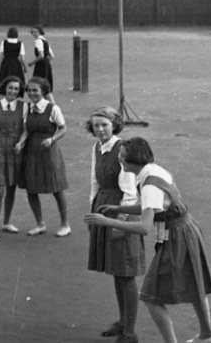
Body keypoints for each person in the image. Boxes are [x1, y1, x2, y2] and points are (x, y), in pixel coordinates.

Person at [84, 137, 211, 343]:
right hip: (185, 230)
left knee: (150, 297)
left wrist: (107, 221)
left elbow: (144, 227)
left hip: (176, 236)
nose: (119, 159)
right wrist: (119, 209)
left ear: (132, 161)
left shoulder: (149, 185)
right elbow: (149, 205)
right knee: (195, 284)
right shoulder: (154, 171)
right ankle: (207, 336)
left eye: (122, 156)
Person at [83, 108, 145, 343]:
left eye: (104, 125)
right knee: (116, 271)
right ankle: (122, 322)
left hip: (119, 212)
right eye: (96, 125)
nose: (99, 129)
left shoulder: (122, 150)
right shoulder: (97, 148)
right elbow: (94, 183)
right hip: (103, 209)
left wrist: (120, 223)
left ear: (114, 126)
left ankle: (130, 333)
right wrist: (93, 214)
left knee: (125, 272)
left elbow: (130, 194)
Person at [15, 77, 71, 237]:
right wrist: (20, 142)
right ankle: (40, 224)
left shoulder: (53, 108)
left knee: (56, 188)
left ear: (43, 91)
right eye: (29, 90)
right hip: (31, 150)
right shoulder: (27, 108)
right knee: (31, 189)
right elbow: (26, 130)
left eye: (35, 90)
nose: (32, 93)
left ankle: (65, 224)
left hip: (49, 151)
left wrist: (52, 139)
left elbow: (63, 129)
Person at [0, 76, 25, 238]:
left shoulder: (24, 107)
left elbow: (25, 130)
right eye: (10, 88)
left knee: (11, 188)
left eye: (16, 89)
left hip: (15, 150)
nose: (13, 91)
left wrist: (21, 143)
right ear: (5, 88)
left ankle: (6, 222)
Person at [0, 27, 27, 93]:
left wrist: (1, 65)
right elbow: (22, 58)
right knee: (16, 80)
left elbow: (1, 55)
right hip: (16, 64)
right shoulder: (20, 43)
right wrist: (24, 67)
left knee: (4, 80)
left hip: (6, 63)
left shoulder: (4, 42)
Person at [28, 26, 54, 93]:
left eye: (36, 31)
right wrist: (46, 62)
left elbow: (41, 55)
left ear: (40, 32)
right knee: (46, 85)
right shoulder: (45, 40)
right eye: (33, 32)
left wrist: (32, 62)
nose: (34, 33)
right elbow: (52, 56)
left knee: (38, 84)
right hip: (47, 64)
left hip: (40, 65)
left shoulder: (38, 41)